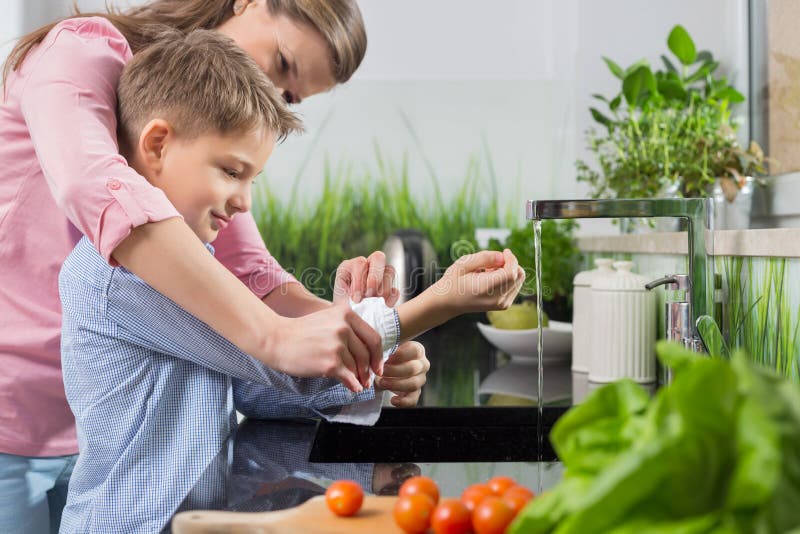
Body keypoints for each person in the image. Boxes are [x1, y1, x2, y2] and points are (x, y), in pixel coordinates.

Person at [58, 29, 523, 532]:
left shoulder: (198, 267)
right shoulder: (120, 275)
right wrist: (439, 304)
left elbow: (257, 390)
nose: (244, 202)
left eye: (252, 179)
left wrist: (372, 360)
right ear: (157, 145)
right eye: (232, 171)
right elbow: (277, 366)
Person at [0, 2, 427, 531]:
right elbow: (96, 185)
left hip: (103, 431)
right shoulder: (82, 53)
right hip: (10, 410)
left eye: (288, 95)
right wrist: (277, 338)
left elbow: (251, 277)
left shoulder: (198, 150)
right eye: (283, 62)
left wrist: (359, 336)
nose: (271, 90)